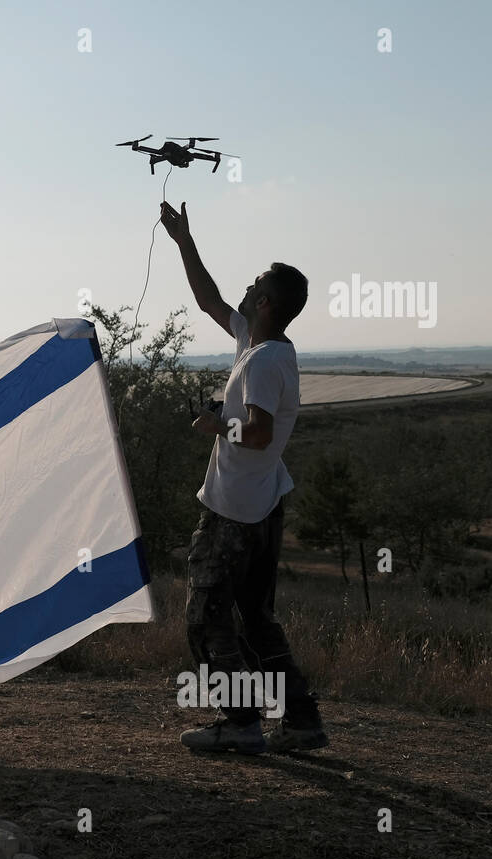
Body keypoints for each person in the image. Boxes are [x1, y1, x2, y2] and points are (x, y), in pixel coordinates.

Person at [159, 200, 328, 754]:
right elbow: (209, 301)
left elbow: (253, 433)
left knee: (207, 617)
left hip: (234, 510)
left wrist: (215, 424)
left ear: (263, 301)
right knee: (255, 618)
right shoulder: (262, 347)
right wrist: (184, 240)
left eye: (253, 283)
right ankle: (300, 722)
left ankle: (240, 723)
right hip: (265, 503)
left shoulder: (260, 362)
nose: (244, 287)